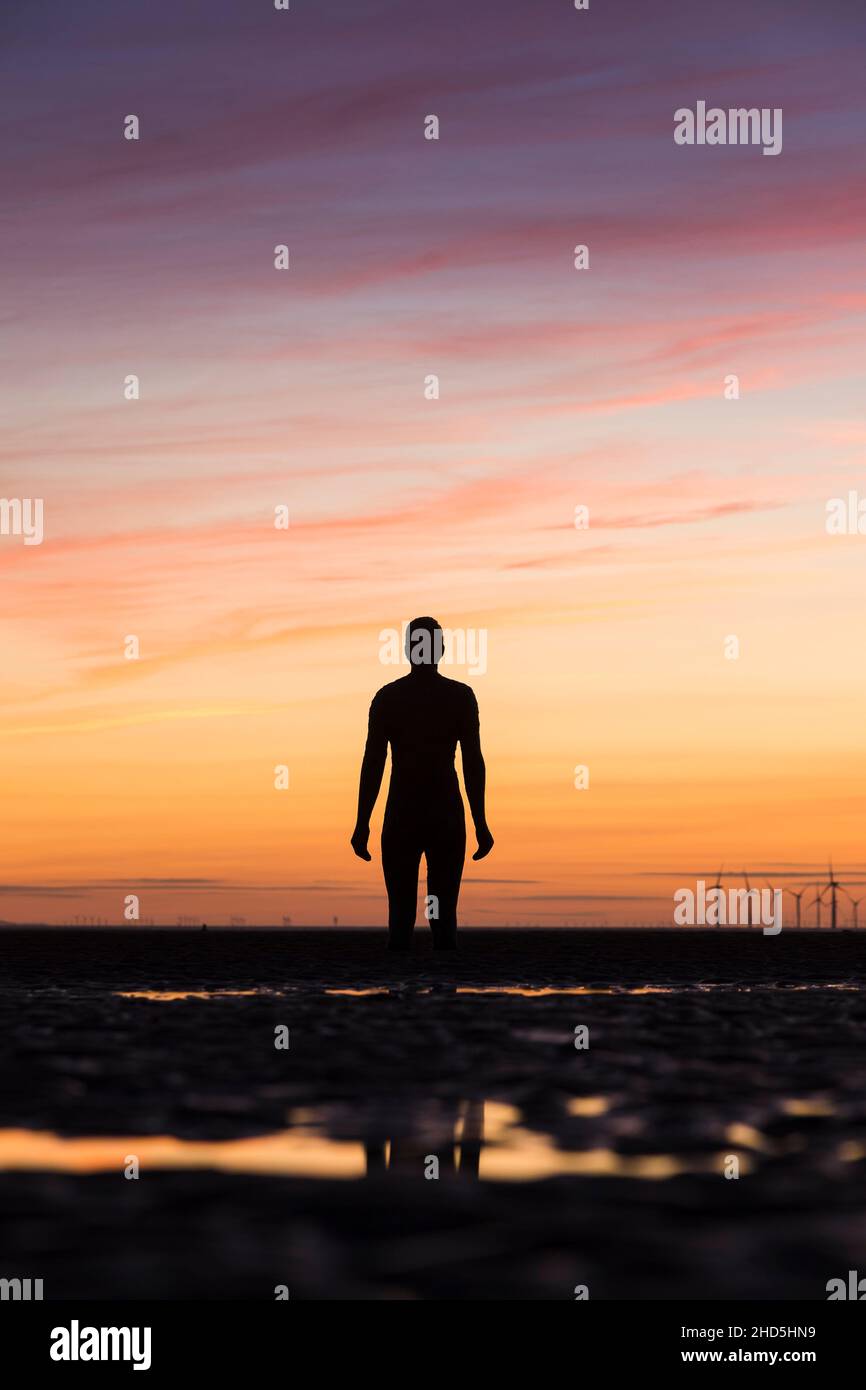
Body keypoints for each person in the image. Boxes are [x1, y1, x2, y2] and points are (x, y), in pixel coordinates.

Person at [350, 617, 493, 949]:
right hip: (443, 815)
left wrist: (362, 823)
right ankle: (442, 991)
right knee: (441, 915)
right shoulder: (458, 697)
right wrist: (480, 822)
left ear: (407, 650)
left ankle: (404, 991)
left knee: (401, 914)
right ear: (440, 650)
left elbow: (373, 764)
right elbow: (473, 763)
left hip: (404, 814)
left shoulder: (390, 698)